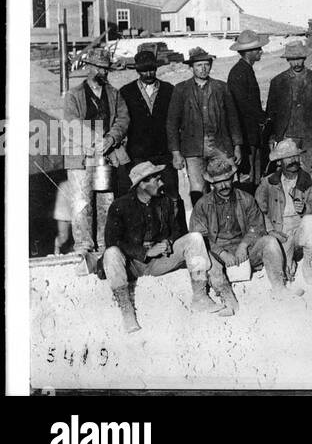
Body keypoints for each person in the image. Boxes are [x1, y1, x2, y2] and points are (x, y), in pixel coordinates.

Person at [102, 160, 217, 332]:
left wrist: (168, 241)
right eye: (156, 180)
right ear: (142, 184)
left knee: (194, 238)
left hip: (159, 262)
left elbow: (178, 231)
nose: (161, 183)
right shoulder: (120, 206)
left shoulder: (166, 202)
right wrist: (145, 252)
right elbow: (112, 241)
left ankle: (200, 296)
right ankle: (127, 312)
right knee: (111, 254)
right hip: (132, 265)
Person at [189, 153, 296, 314]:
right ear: (211, 184)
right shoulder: (203, 205)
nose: (224, 186)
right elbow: (199, 237)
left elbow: (257, 226)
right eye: (218, 183)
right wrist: (222, 253)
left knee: (270, 241)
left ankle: (279, 288)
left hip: (244, 251)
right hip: (217, 253)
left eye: (227, 180)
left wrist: (244, 245)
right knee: (207, 258)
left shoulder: (245, 198)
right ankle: (228, 299)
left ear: (233, 179)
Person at [62, 46, 131, 253]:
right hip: (81, 157)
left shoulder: (114, 94)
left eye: (106, 69)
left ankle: (103, 244)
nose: (105, 72)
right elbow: (71, 123)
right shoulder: (73, 95)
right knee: (81, 202)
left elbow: (123, 118)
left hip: (106, 156)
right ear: (89, 68)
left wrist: (111, 138)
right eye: (101, 68)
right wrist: (95, 142)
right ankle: (84, 245)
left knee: (105, 202)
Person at [167, 48, 243, 207]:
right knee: (198, 190)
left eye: (206, 65)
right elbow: (172, 123)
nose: (203, 68)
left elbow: (233, 119)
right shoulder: (181, 89)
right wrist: (176, 153)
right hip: (193, 150)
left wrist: (237, 146)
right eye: (199, 65)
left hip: (221, 147)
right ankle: (202, 225)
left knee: (226, 185)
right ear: (191, 67)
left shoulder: (221, 87)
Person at [255, 139, 312, 285]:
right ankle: (290, 260)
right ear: (279, 161)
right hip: (280, 229)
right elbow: (258, 210)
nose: (293, 161)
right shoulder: (268, 182)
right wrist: (269, 230)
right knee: (286, 272)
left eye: (295, 156)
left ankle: (308, 265)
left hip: (301, 228)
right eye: (288, 158)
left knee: (310, 220)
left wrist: (306, 208)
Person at [266, 39, 312, 175]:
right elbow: (271, 111)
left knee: (311, 171)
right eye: (293, 59)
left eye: (299, 59)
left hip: (310, 136)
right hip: (286, 135)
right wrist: (272, 136)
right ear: (287, 60)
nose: (296, 63)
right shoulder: (278, 82)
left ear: (304, 58)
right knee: (288, 171)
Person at [116, 49, 178, 199]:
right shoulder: (126, 92)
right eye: (144, 71)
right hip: (138, 155)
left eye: (152, 70)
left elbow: (175, 121)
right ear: (137, 71)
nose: (149, 74)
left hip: (164, 154)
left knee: (170, 194)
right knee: (141, 196)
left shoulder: (169, 89)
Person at [227, 30, 269, 187]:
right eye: (257, 49)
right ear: (248, 52)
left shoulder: (245, 70)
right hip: (246, 134)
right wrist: (262, 117)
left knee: (254, 175)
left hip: (251, 133)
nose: (261, 52)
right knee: (248, 177)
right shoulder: (239, 72)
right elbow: (243, 106)